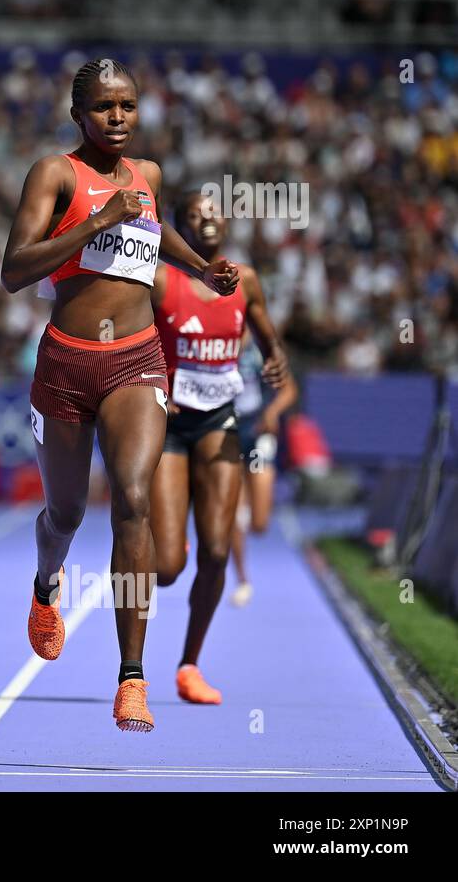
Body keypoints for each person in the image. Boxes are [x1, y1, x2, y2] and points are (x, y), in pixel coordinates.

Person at [1, 58, 238, 732]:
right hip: (66, 367)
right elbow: (14, 270)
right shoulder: (54, 174)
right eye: (105, 107)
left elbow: (153, 230)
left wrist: (201, 268)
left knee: (133, 501)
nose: (119, 118)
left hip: (136, 362)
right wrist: (93, 223)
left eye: (129, 106)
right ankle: (47, 584)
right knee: (67, 514)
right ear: (79, 114)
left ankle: (132, 677)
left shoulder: (149, 177)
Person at [149, 192, 288, 703]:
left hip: (220, 422)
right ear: (181, 229)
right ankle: (164, 541)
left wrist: (276, 360)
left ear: (226, 223)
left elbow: (267, 333)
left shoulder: (246, 280)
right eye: (193, 217)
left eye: (213, 214)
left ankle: (189, 665)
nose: (206, 221)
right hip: (169, 427)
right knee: (166, 569)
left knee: (216, 549)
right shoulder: (164, 280)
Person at [229, 336, 299, 606]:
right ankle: (242, 579)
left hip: (257, 434)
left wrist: (272, 412)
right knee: (235, 512)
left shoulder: (261, 350)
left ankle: (249, 519)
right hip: (227, 431)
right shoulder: (217, 341)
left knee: (259, 523)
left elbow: (289, 388)